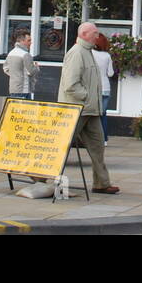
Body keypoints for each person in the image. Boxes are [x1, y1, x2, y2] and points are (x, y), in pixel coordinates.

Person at [58, 22, 119, 194]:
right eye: (95, 33)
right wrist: (86, 96)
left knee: (98, 145)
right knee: (61, 145)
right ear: (84, 34)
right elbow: (70, 84)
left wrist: (91, 100)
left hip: (91, 109)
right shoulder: (77, 53)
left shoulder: (88, 52)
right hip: (77, 109)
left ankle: (102, 183)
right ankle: (40, 175)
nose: (97, 37)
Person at [92, 32, 116, 146]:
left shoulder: (90, 54)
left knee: (93, 115)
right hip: (106, 88)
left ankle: (94, 138)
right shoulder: (107, 56)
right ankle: (104, 139)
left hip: (94, 88)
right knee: (103, 115)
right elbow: (110, 73)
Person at [3, 29, 37, 99]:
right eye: (29, 40)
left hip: (13, 88)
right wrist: (36, 67)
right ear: (22, 41)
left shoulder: (11, 53)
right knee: (26, 109)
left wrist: (16, 75)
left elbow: (5, 69)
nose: (31, 43)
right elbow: (31, 71)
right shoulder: (25, 54)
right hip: (24, 89)